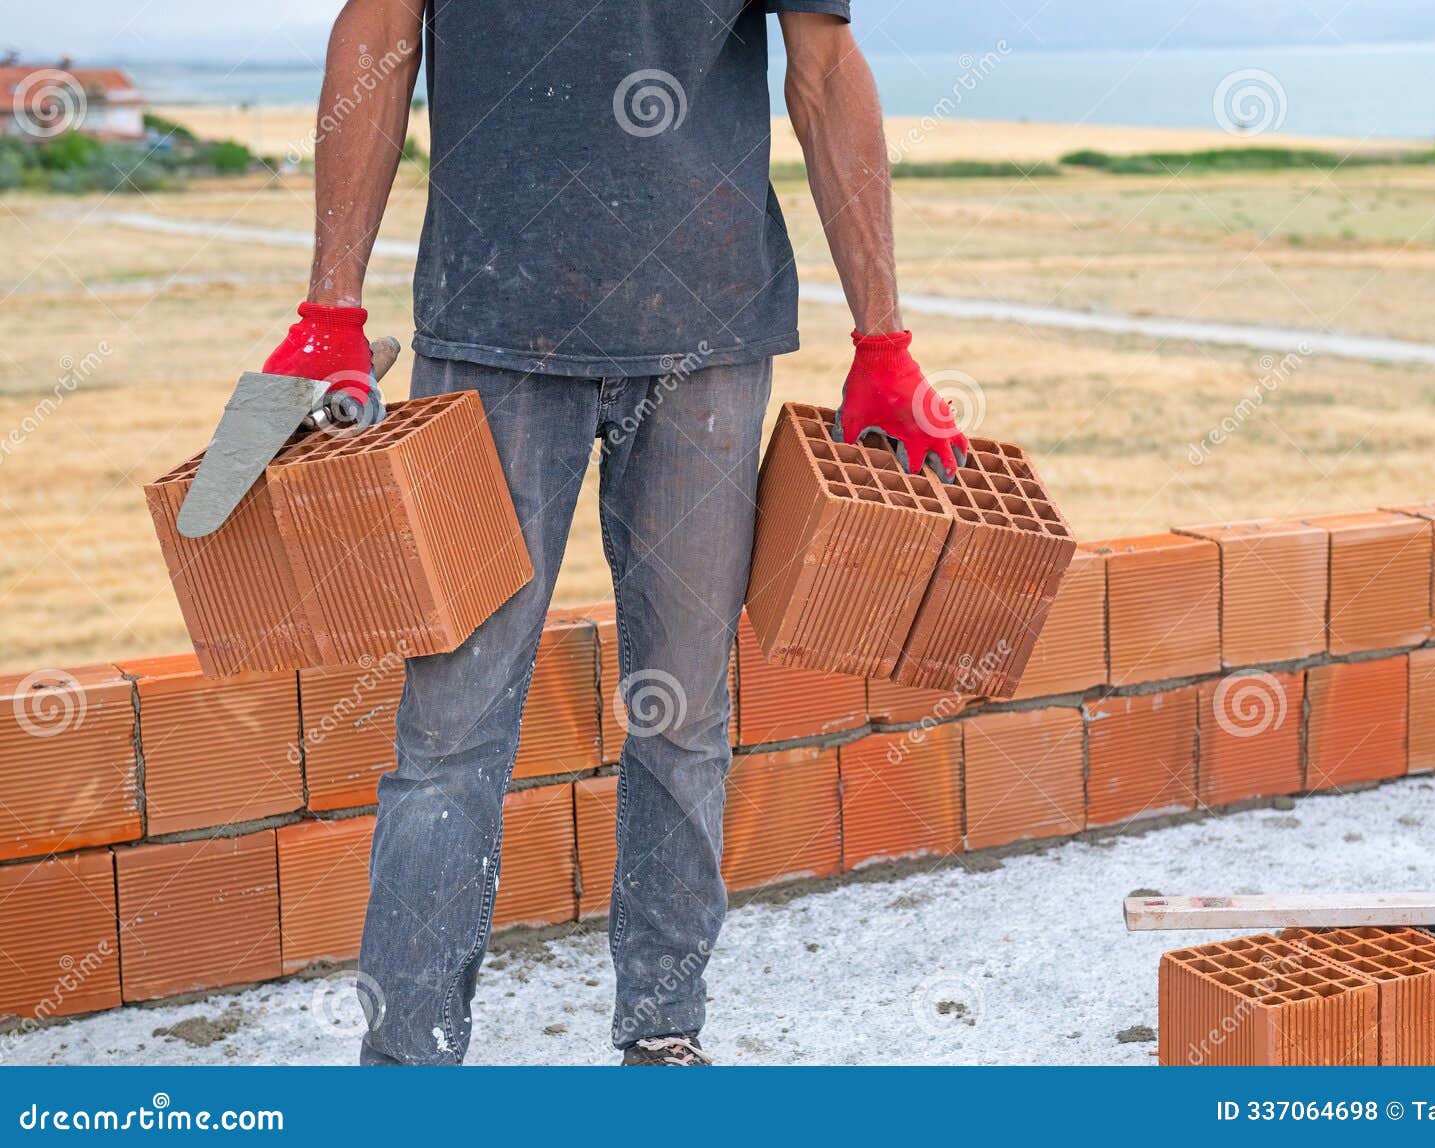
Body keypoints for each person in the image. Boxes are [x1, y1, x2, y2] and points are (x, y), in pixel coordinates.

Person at [262, 0, 968, 1066]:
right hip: (492, 325)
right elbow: (379, 32)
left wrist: (884, 338)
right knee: (450, 728)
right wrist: (332, 308)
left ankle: (662, 1040)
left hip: (707, 334)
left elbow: (823, 69)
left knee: (682, 712)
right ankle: (407, 1067)